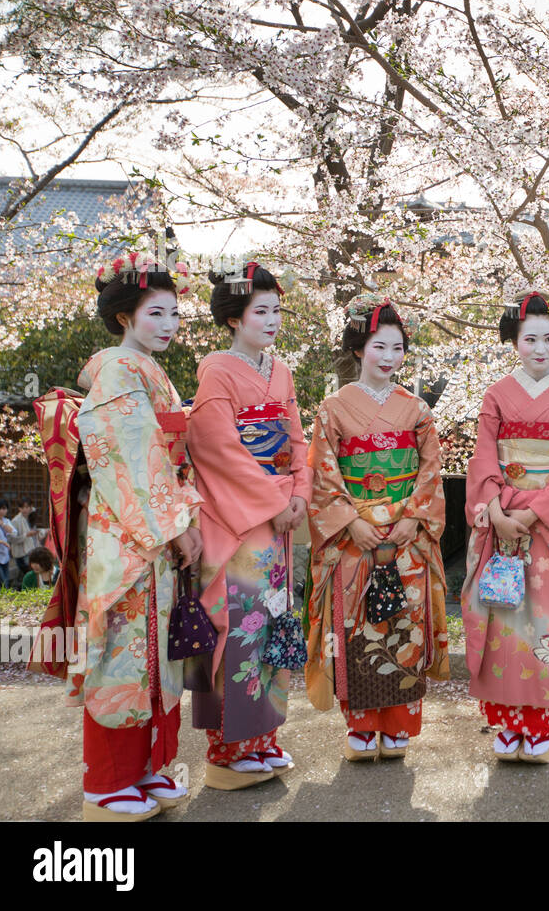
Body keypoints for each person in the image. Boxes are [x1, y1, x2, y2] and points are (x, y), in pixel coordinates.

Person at [70, 253, 202, 820]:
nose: (168, 324)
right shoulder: (119, 370)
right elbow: (132, 457)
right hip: (128, 536)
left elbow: (166, 456)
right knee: (122, 657)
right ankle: (106, 782)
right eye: (156, 313)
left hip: (153, 533)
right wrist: (177, 527)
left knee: (154, 653)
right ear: (125, 316)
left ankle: (147, 769)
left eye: (174, 313)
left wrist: (184, 514)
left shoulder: (146, 368)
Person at [305, 295, 449, 762]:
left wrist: (412, 518)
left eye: (397, 348)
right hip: (355, 537)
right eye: (378, 347)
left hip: (405, 536)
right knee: (357, 626)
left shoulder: (417, 411)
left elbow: (430, 471)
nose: (389, 357)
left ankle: (399, 725)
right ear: (358, 350)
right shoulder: (332, 409)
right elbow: (323, 474)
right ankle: (361, 727)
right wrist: (349, 521)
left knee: (404, 623)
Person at [185, 264, 311, 788]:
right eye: (260, 311)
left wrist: (300, 490)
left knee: (273, 624)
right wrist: (271, 501)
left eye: (276, 310)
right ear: (234, 319)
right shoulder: (216, 372)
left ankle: (263, 737)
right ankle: (227, 750)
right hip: (238, 522)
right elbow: (218, 448)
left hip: (277, 518)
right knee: (238, 626)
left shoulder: (280, 371)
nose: (272, 320)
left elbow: (297, 439)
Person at [461, 290, 549, 765]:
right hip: (504, 522)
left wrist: (534, 513)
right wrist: (494, 510)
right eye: (530, 339)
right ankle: (505, 723)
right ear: (514, 342)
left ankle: (539, 728)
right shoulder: (497, 393)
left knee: (544, 624)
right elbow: (483, 457)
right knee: (504, 618)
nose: (541, 348)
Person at [11, 500, 39, 584]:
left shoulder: (31, 516)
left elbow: (34, 509)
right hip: (21, 552)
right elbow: (12, 539)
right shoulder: (15, 521)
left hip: (31, 549)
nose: (25, 510)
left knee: (26, 573)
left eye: (27, 507)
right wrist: (26, 535)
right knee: (26, 573)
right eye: (22, 507)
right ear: (19, 508)